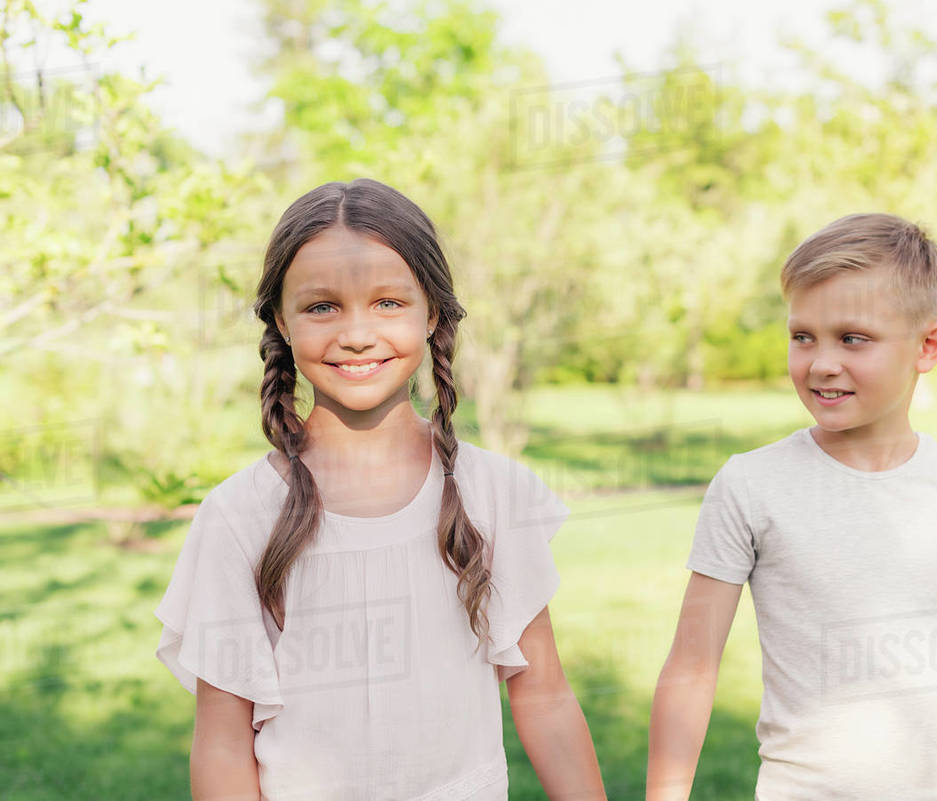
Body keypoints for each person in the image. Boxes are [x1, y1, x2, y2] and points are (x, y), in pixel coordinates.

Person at [153, 178, 606, 801]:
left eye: (389, 302)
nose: (357, 333)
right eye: (322, 307)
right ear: (281, 321)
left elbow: (546, 695)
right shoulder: (239, 516)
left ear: (434, 314)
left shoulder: (494, 493)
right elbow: (223, 743)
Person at [646, 213, 937, 800]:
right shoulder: (750, 486)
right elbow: (691, 670)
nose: (821, 363)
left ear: (928, 346)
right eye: (802, 336)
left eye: (852, 338)